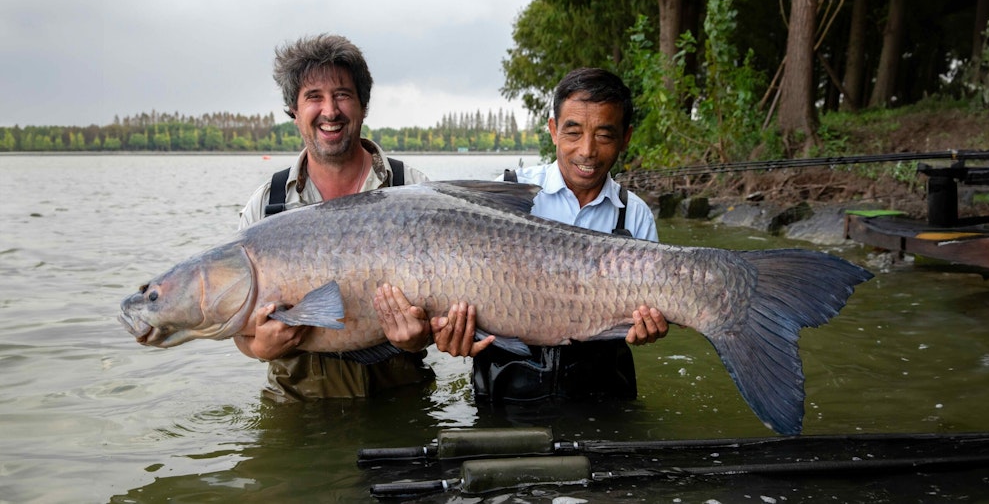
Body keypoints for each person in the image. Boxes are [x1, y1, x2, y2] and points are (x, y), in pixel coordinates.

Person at [375, 67, 669, 403]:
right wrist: (450, 332)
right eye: (573, 133)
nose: (587, 150)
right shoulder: (505, 192)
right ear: (553, 130)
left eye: (604, 135)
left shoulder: (634, 213)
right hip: (506, 393)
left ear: (626, 137)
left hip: (603, 394)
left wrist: (650, 328)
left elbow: (650, 319)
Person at [236, 33, 438, 401]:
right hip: (298, 406)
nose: (330, 111)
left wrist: (422, 336)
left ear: (362, 105)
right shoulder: (266, 206)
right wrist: (259, 348)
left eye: (342, 94)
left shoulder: (415, 189)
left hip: (401, 400)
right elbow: (238, 326)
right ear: (294, 112)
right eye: (314, 97)